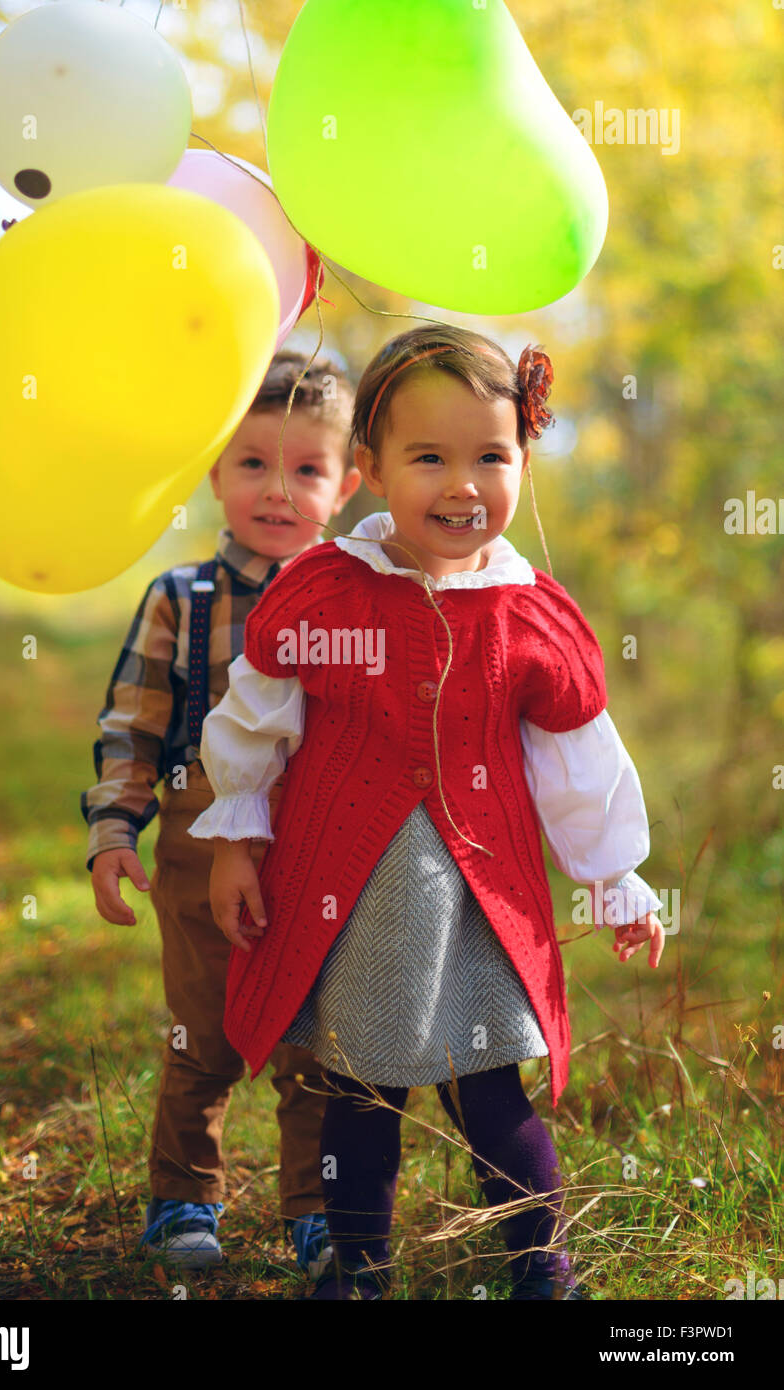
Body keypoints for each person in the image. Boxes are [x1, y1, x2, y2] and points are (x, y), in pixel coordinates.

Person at [186, 324, 667, 1300]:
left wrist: (615, 877)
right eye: (430, 457)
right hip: (358, 896)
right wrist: (238, 839)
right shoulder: (324, 593)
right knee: (362, 1090)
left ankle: (542, 1263)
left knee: (492, 1089)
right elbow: (257, 724)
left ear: (524, 458)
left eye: (491, 455)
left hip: (483, 902)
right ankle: (358, 1264)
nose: (464, 484)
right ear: (368, 469)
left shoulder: (527, 612)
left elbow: (576, 758)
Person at [81, 349, 363, 1276]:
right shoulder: (182, 599)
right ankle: (181, 1200)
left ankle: (317, 1210)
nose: (277, 491)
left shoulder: (363, 602)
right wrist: (117, 828)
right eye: (252, 464)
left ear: (348, 483)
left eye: (307, 469)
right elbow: (135, 723)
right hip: (201, 848)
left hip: (320, 852)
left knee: (317, 1043)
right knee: (200, 1031)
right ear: (214, 468)